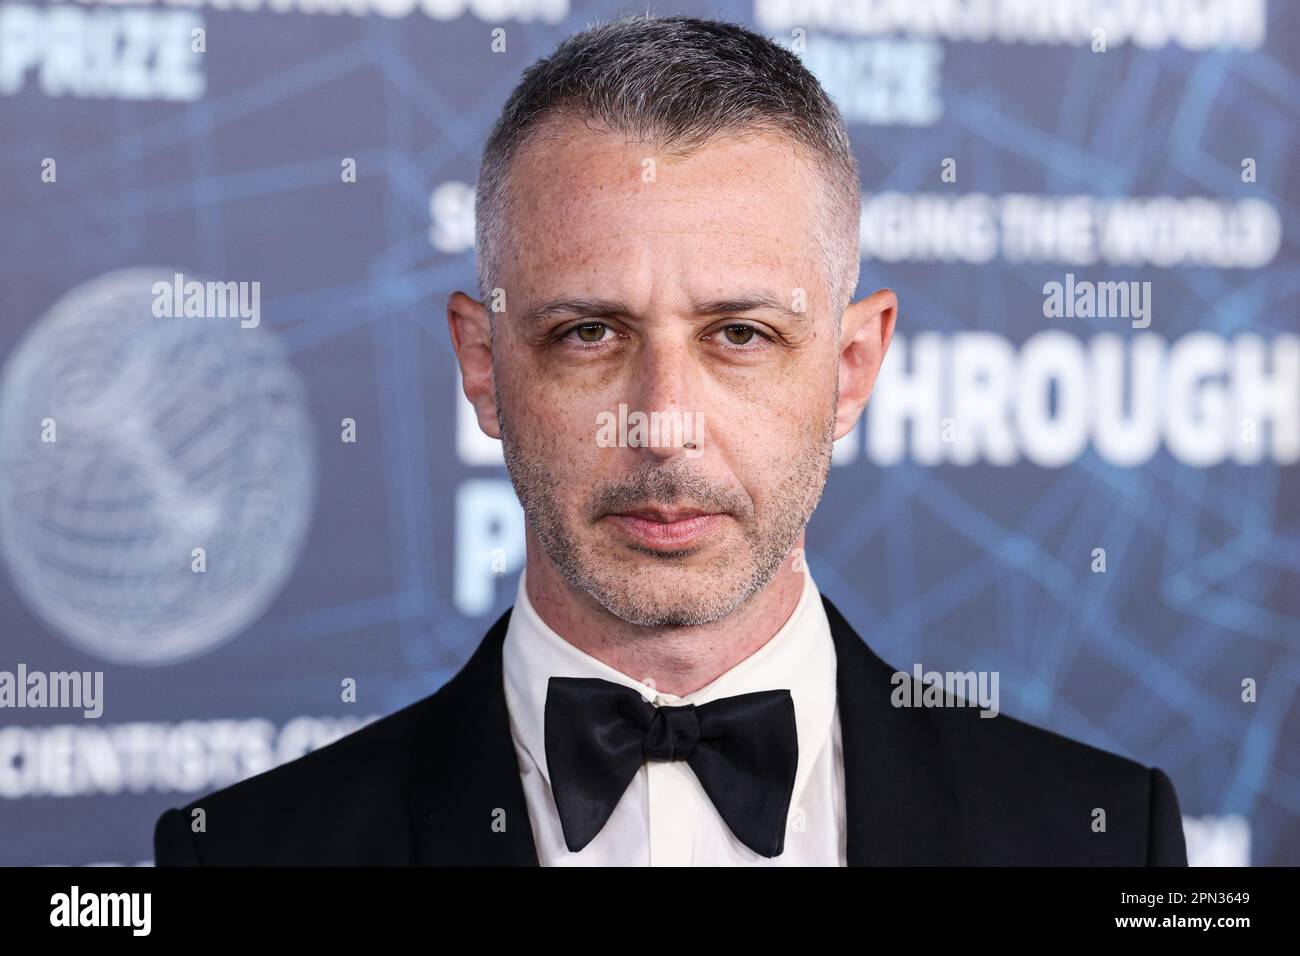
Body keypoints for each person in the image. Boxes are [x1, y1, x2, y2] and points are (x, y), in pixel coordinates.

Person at [154, 14, 1187, 867]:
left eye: (739, 334)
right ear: (482, 365)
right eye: (588, 333)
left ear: (852, 365)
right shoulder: (245, 855)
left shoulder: (1100, 840)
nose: (662, 422)